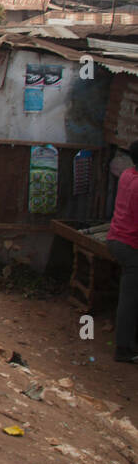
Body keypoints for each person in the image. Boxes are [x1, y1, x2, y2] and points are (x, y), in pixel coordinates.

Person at [107, 140, 138, 363]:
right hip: (130, 246)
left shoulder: (128, 174)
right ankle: (123, 347)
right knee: (129, 298)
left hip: (116, 238)